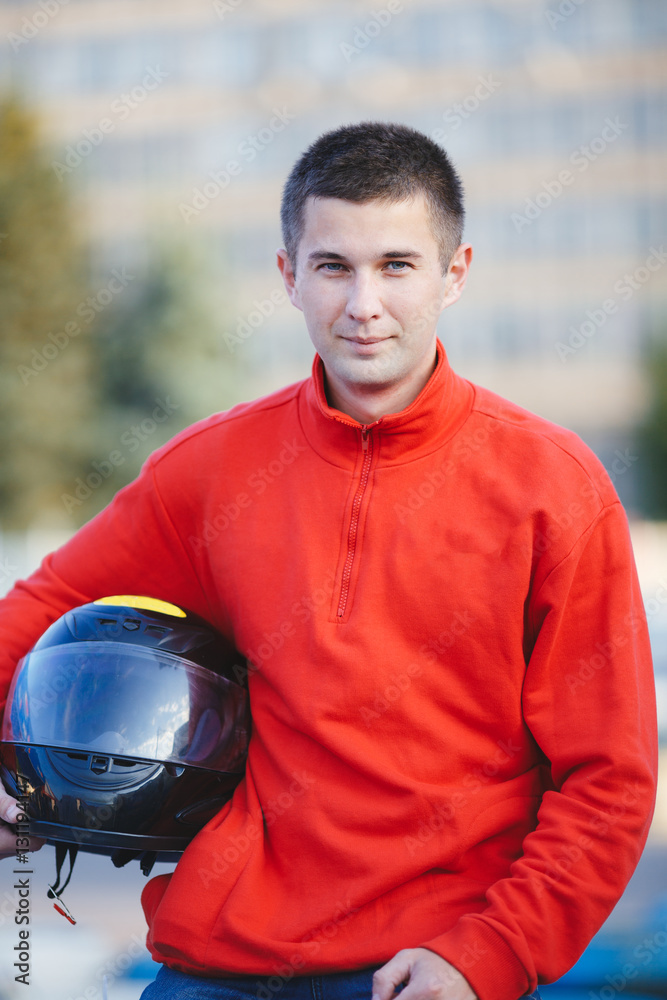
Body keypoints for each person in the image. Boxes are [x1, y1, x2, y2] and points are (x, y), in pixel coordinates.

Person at [0, 122, 658, 1000]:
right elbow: (40, 609)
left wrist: (490, 953)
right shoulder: (213, 471)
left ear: (453, 274)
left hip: (425, 967)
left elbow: (609, 778)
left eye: (396, 264)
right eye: (332, 266)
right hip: (222, 960)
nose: (364, 304)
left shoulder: (553, 488)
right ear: (289, 276)